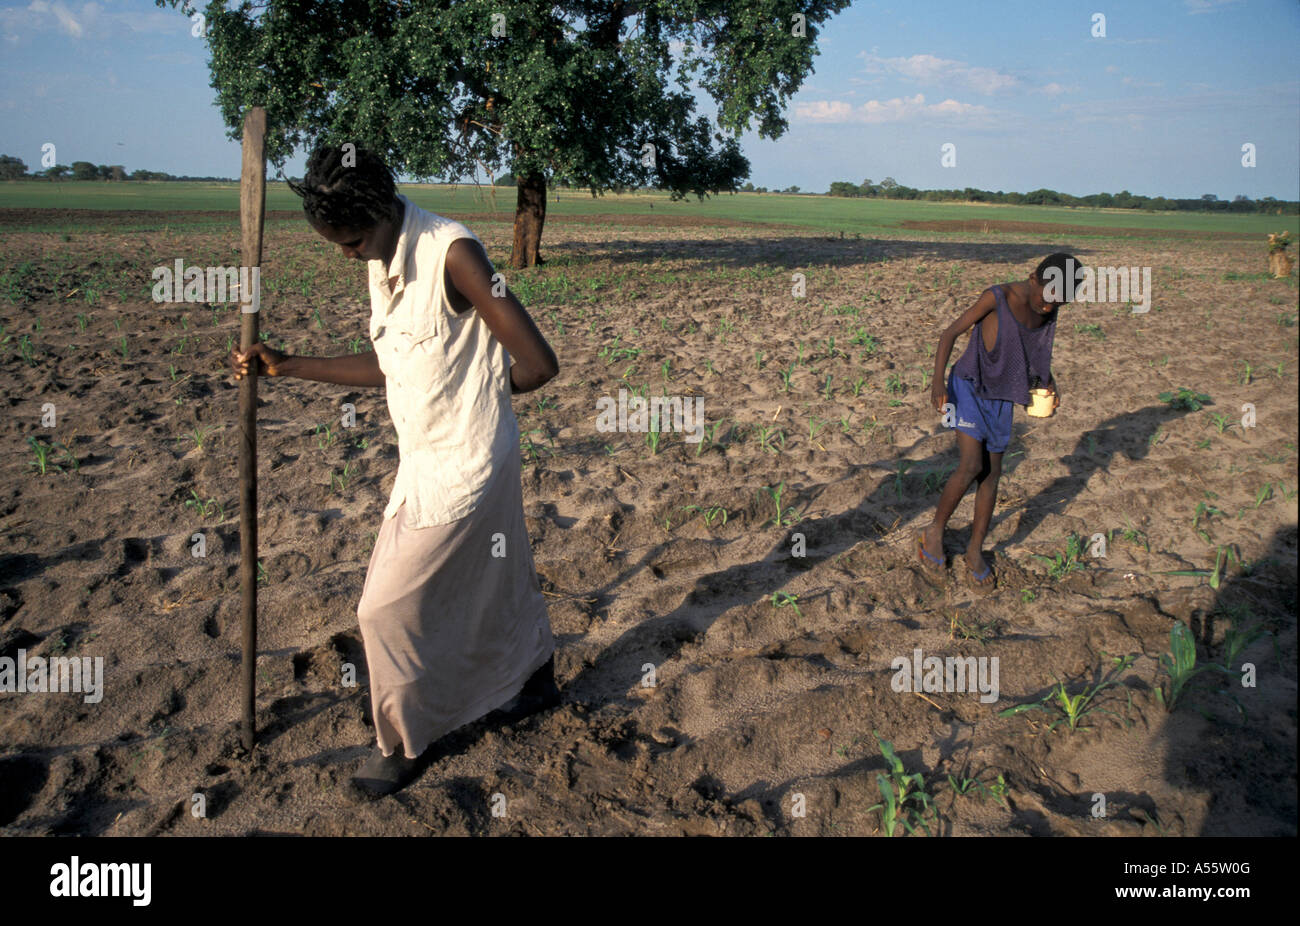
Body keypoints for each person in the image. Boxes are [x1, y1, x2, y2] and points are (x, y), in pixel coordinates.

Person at [230, 142, 560, 796]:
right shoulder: (381, 257)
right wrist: (289, 364)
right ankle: (535, 679)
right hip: (424, 458)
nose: (347, 254)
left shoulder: (454, 255)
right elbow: (394, 363)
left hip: (468, 461)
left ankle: (404, 740)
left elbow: (538, 363)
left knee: (382, 608)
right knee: (499, 574)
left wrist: (476, 394)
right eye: (337, 244)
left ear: (382, 210)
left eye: (352, 241)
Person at [917, 253, 1082, 592]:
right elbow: (949, 334)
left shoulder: (1048, 310)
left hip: (1004, 394)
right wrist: (937, 384)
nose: (1051, 307)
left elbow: (1036, 354)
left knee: (992, 475)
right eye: (1049, 297)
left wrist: (1048, 383)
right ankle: (935, 530)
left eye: (1061, 301)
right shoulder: (999, 297)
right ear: (1034, 278)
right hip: (969, 385)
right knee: (971, 464)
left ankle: (974, 550)